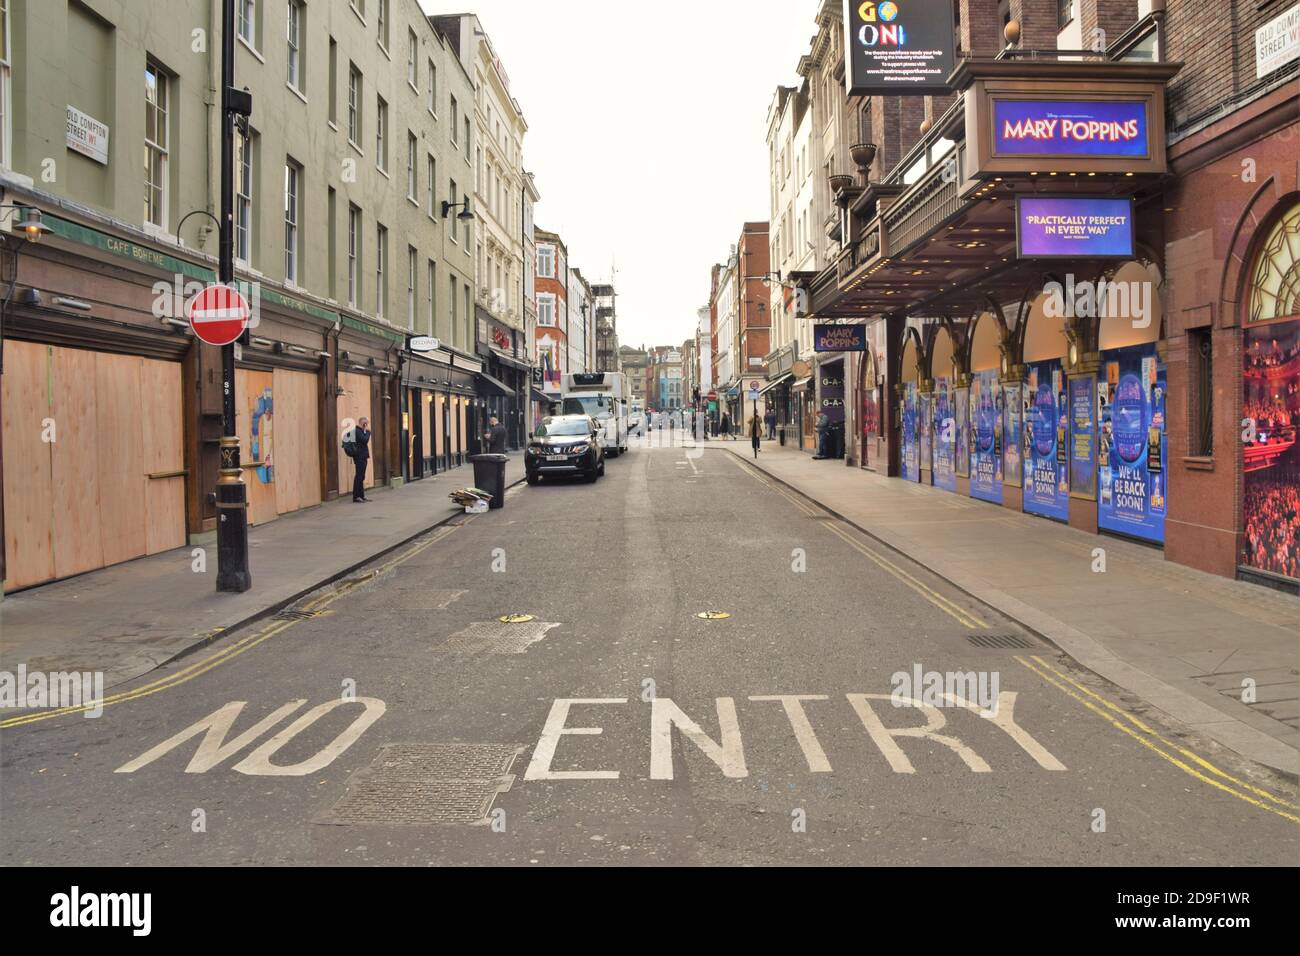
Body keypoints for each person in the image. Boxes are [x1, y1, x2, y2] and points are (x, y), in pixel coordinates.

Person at [351, 417, 372, 503]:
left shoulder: (361, 431)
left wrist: (365, 431)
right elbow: (365, 440)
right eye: (366, 423)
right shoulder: (357, 431)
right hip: (359, 457)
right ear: (362, 422)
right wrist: (367, 432)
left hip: (362, 456)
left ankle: (361, 496)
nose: (367, 424)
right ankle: (356, 497)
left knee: (361, 476)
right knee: (359, 476)